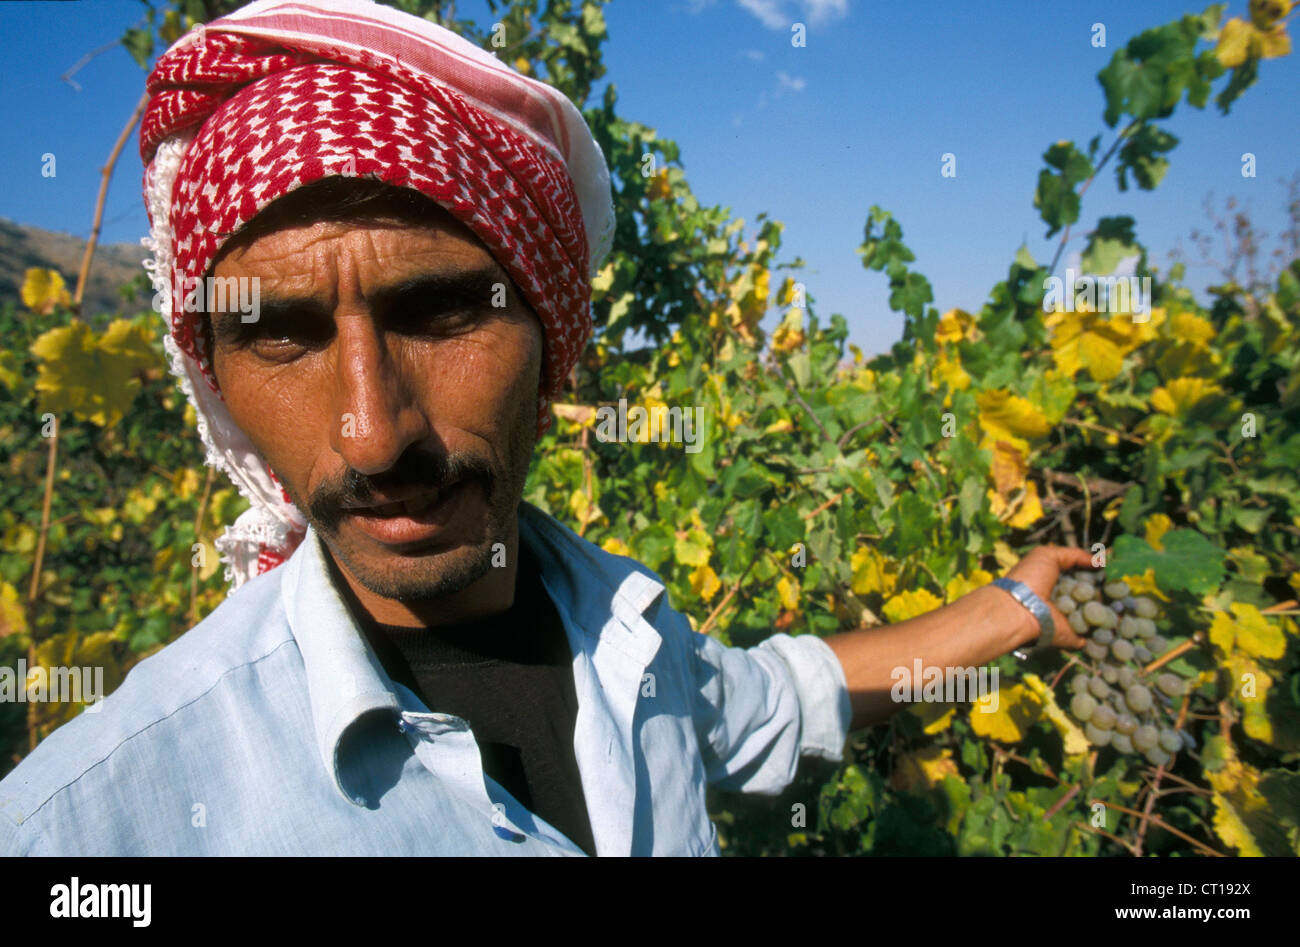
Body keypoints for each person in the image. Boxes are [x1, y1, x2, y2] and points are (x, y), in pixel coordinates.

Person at [0, 0, 1093, 856]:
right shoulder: (90, 823)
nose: (374, 433)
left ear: (552, 339)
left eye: (437, 313)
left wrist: (1019, 605)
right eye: (280, 335)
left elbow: (781, 698)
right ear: (218, 380)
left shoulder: (634, 637)